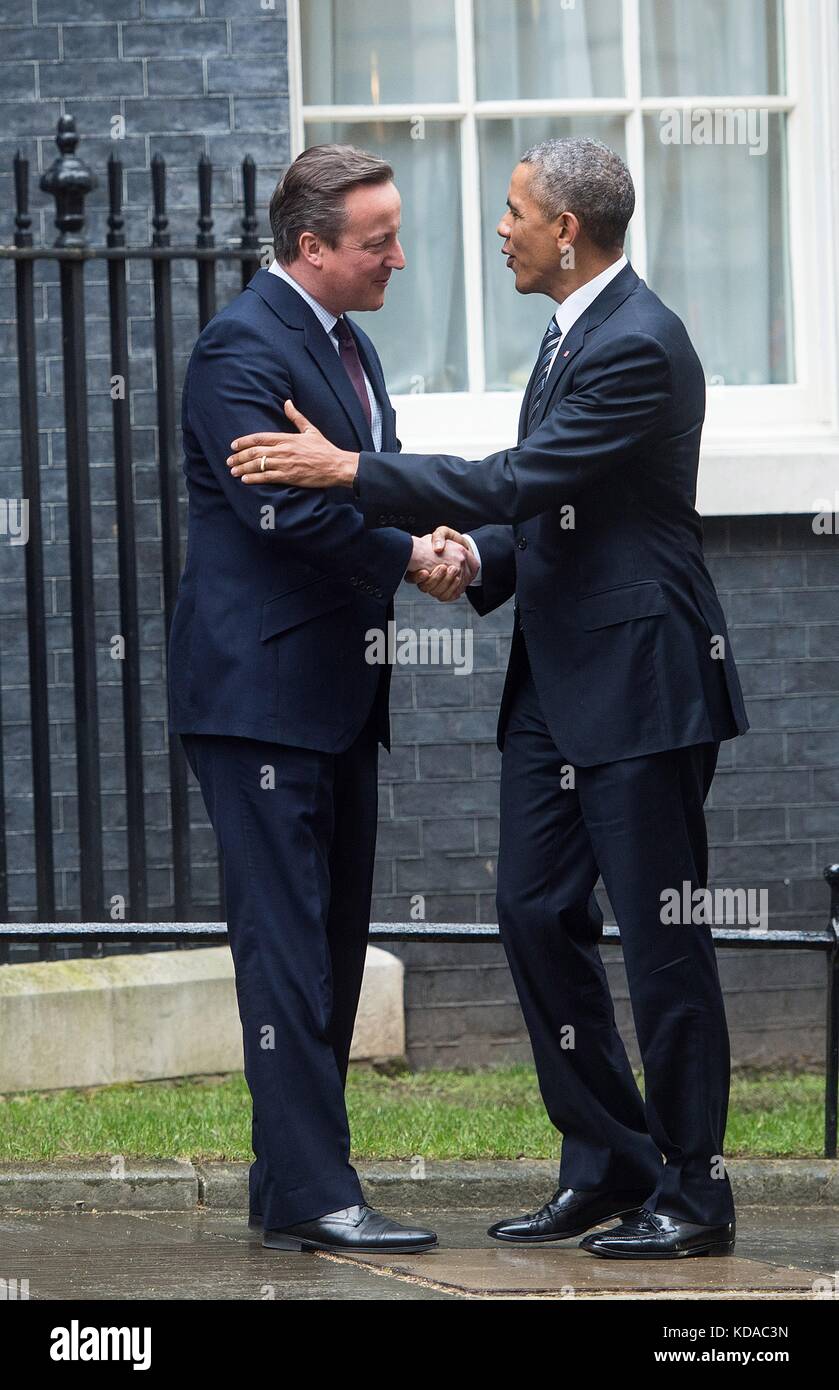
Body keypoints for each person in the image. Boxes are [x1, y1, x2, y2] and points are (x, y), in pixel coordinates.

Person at [225, 137, 750, 1260]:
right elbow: (551, 507)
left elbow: (524, 478)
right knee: (530, 913)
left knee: (662, 943)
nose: (496, 231)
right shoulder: (572, 334)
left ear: (567, 231)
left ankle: (694, 1194)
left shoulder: (638, 344)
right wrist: (466, 560)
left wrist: (348, 475)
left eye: (512, 213)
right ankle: (609, 1158)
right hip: (555, 689)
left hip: (642, 679)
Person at [168, 143, 476, 1255]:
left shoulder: (345, 345)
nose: (398, 255)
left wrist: (413, 539)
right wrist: (410, 553)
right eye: (376, 240)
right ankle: (313, 1192)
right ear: (310, 247)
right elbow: (280, 515)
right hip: (260, 700)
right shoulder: (241, 348)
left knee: (331, 944)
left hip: (335, 696)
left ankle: (284, 1183)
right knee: (287, 949)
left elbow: (358, 477)